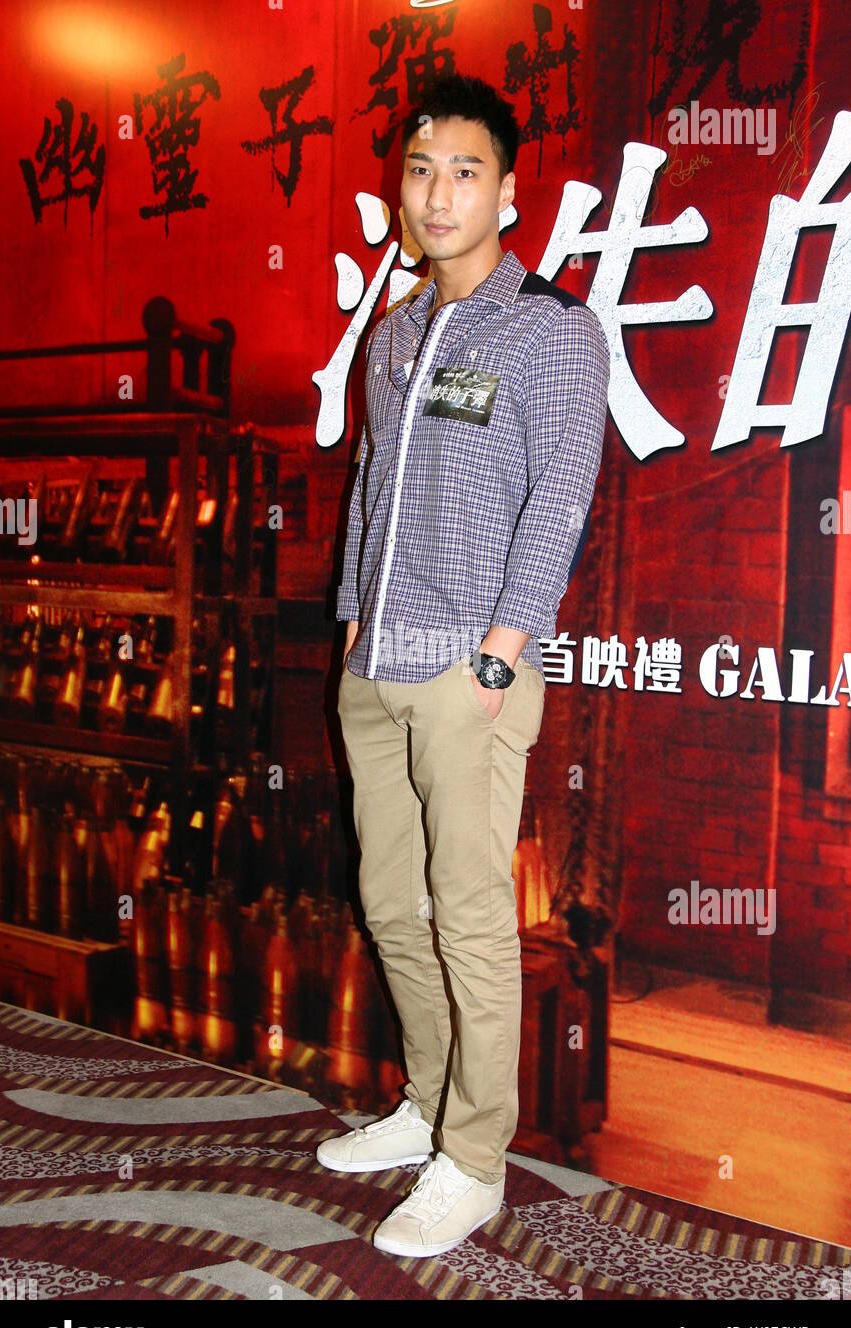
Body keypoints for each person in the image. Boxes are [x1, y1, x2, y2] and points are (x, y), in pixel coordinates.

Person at [317, 73, 610, 1259]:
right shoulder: (393, 334)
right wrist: (348, 616)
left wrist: (501, 648)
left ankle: (476, 1158)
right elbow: (368, 485)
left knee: (473, 918)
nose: (439, 195)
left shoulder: (550, 329)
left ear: (509, 190)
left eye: (466, 172)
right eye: (421, 170)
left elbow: (562, 496)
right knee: (393, 905)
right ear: (401, 188)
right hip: (373, 666)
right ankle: (429, 1108)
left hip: (466, 674)